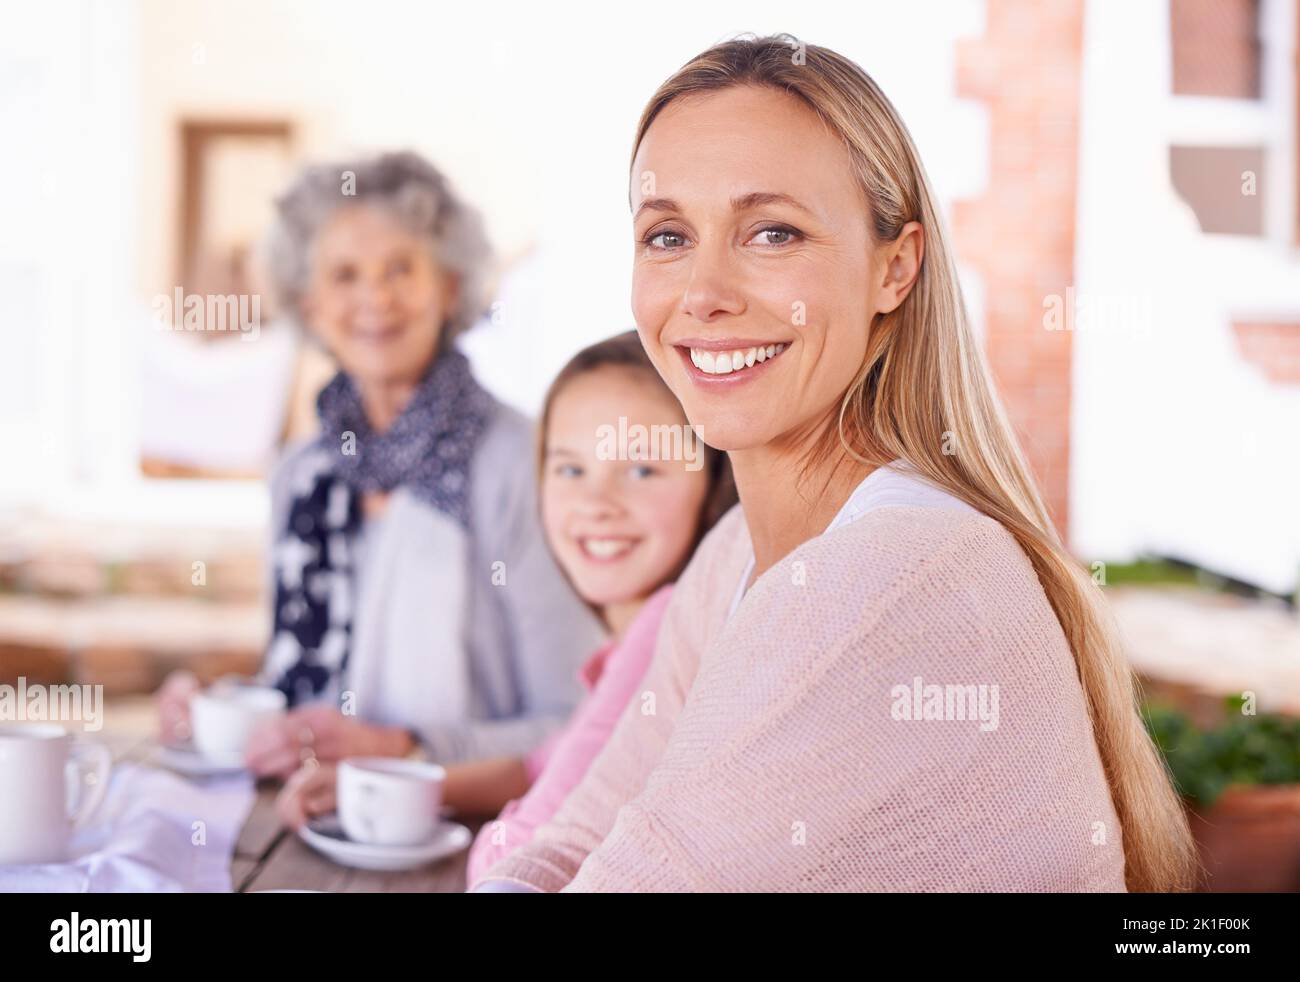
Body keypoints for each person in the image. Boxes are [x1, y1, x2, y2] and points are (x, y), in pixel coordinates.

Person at [473, 36, 1197, 892]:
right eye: (667, 235)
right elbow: (573, 839)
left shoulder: (892, 579)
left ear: (896, 267)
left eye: (771, 232)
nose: (703, 292)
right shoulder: (732, 556)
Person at [157, 151, 604, 777]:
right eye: (344, 275)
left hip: (476, 844)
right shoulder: (300, 474)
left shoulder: (525, 465)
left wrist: (405, 749)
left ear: (449, 287)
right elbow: (308, 685)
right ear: (310, 304)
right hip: (308, 830)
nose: (374, 298)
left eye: (401, 268)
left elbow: (582, 728)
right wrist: (220, 712)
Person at [274, 331, 736, 874]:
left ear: (712, 478)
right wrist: (397, 782)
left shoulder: (664, 629)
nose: (596, 503)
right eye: (570, 469)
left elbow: (521, 851)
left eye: (641, 469)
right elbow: (541, 766)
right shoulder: (635, 640)